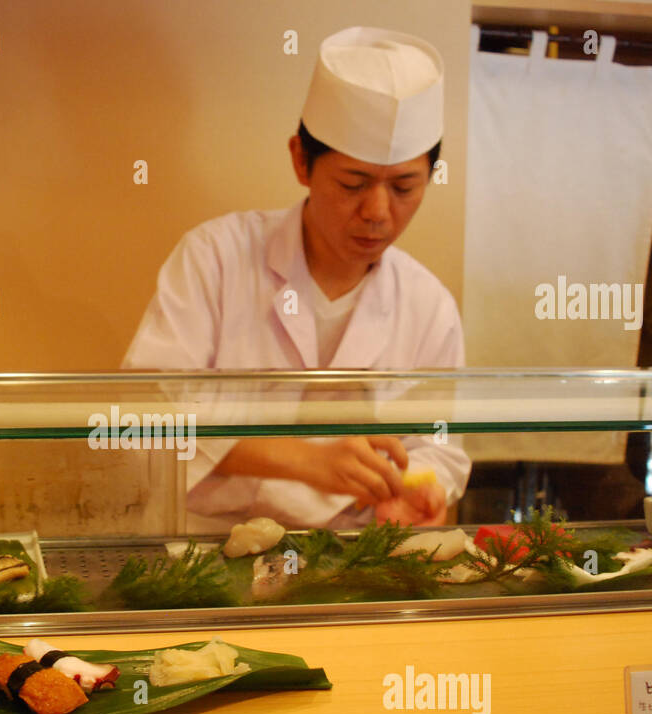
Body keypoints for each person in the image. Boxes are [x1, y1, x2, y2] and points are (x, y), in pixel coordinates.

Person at [123, 27, 470, 531]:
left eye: (404, 187)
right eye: (353, 184)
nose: (378, 212)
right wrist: (305, 461)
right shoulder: (216, 257)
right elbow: (143, 421)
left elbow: (439, 447)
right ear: (300, 160)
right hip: (200, 550)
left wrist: (416, 488)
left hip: (346, 557)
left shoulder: (428, 305)